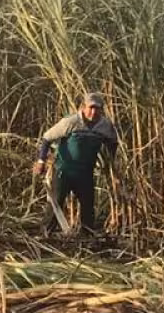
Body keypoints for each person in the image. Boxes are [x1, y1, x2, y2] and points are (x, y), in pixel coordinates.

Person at [31, 91, 119, 234]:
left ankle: (88, 239)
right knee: (55, 205)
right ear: (83, 107)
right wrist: (41, 161)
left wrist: (109, 162)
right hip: (64, 171)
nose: (93, 111)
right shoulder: (70, 122)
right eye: (91, 107)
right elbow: (47, 138)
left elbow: (113, 142)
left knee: (88, 207)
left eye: (97, 108)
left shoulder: (104, 126)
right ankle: (45, 236)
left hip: (85, 173)